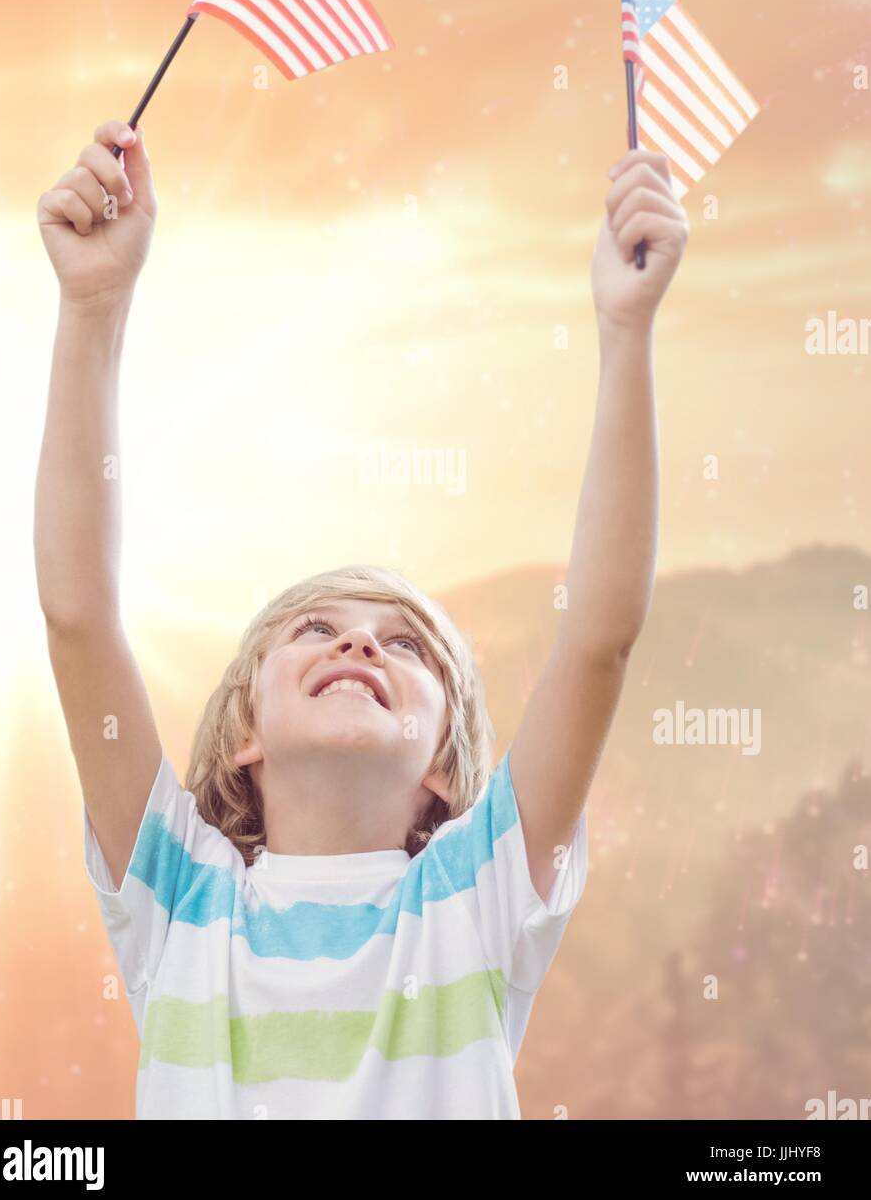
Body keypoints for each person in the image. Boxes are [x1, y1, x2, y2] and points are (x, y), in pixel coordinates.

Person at [34, 121, 688, 1119]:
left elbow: (597, 638)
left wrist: (625, 333)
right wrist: (91, 305)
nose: (358, 643)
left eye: (407, 644)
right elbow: (78, 617)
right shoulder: (178, 899)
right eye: (314, 629)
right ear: (246, 734)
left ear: (442, 765)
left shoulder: (472, 902)